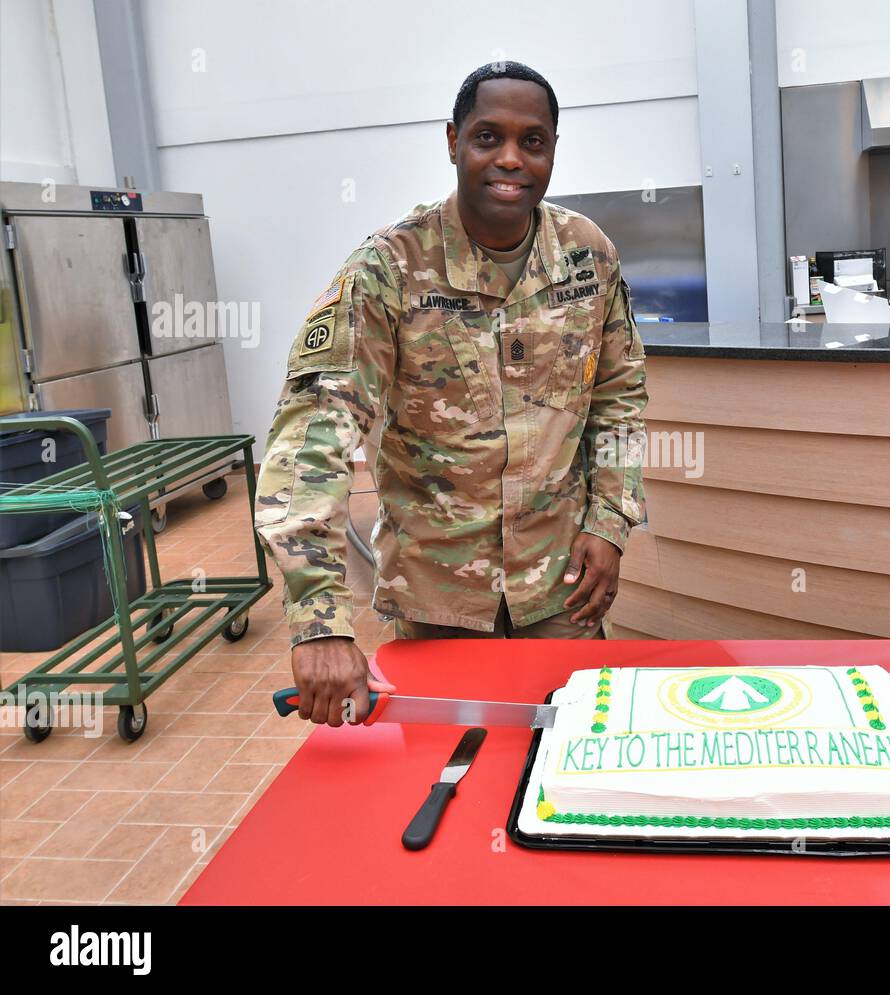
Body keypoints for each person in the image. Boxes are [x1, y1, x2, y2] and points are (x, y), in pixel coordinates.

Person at [254, 62, 648, 726]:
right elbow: (313, 431)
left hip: (561, 593)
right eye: (488, 137)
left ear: (553, 149)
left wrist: (609, 524)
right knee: (453, 774)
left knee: (573, 755)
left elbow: (619, 395)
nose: (510, 159)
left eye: (533, 141)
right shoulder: (389, 268)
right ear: (452, 141)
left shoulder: (589, 257)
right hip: (439, 601)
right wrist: (320, 619)